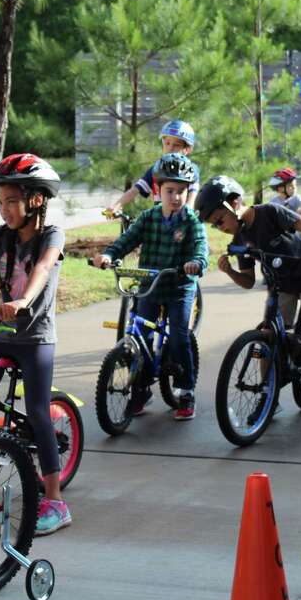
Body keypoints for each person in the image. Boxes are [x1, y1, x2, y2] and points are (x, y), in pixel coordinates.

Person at [195, 175, 301, 428]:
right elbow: (248, 281)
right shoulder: (239, 240)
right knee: (267, 337)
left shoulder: (269, 213)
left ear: (234, 203)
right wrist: (230, 271)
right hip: (282, 286)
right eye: (214, 226)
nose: (219, 227)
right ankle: (268, 395)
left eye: (219, 220)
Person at [0, 153, 70, 535]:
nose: (4, 209)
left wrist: (24, 300)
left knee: (38, 412)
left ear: (36, 200)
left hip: (36, 338)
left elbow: (43, 267)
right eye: (0, 201)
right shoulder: (1, 237)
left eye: (12, 201)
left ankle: (56, 501)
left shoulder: (51, 236)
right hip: (2, 335)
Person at [92, 152, 207, 420]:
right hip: (151, 285)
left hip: (179, 286)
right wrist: (109, 254)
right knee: (140, 336)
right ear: (158, 190)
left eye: (181, 191)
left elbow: (201, 248)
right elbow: (127, 240)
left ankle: (186, 390)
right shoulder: (148, 217)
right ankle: (141, 389)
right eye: (170, 191)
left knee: (178, 336)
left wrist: (196, 262)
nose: (175, 197)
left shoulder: (191, 220)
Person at [106, 119, 200, 216]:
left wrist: (188, 209)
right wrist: (117, 206)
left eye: (176, 145)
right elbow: (135, 189)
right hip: (159, 220)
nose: (170, 148)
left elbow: (193, 192)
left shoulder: (190, 169)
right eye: (167, 143)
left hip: (182, 218)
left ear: (187, 149)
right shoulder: (156, 169)